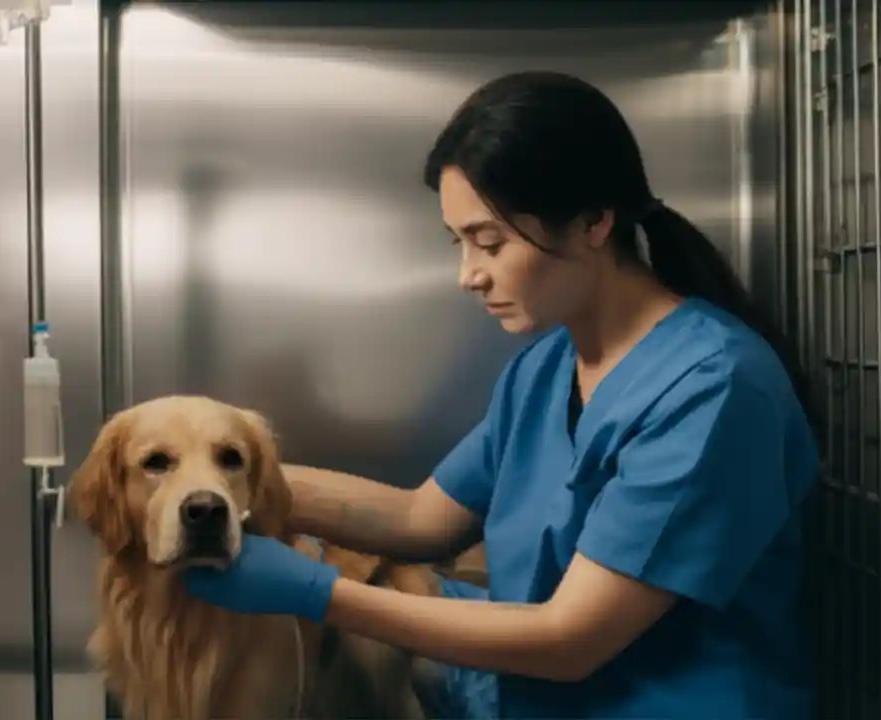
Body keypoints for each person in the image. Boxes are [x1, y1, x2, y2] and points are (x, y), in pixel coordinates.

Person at [183, 71, 819, 719]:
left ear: (594, 221)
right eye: (458, 243)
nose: (469, 275)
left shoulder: (713, 390)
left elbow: (570, 641)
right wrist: (227, 483)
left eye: (490, 242)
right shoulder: (545, 369)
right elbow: (421, 520)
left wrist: (318, 594)